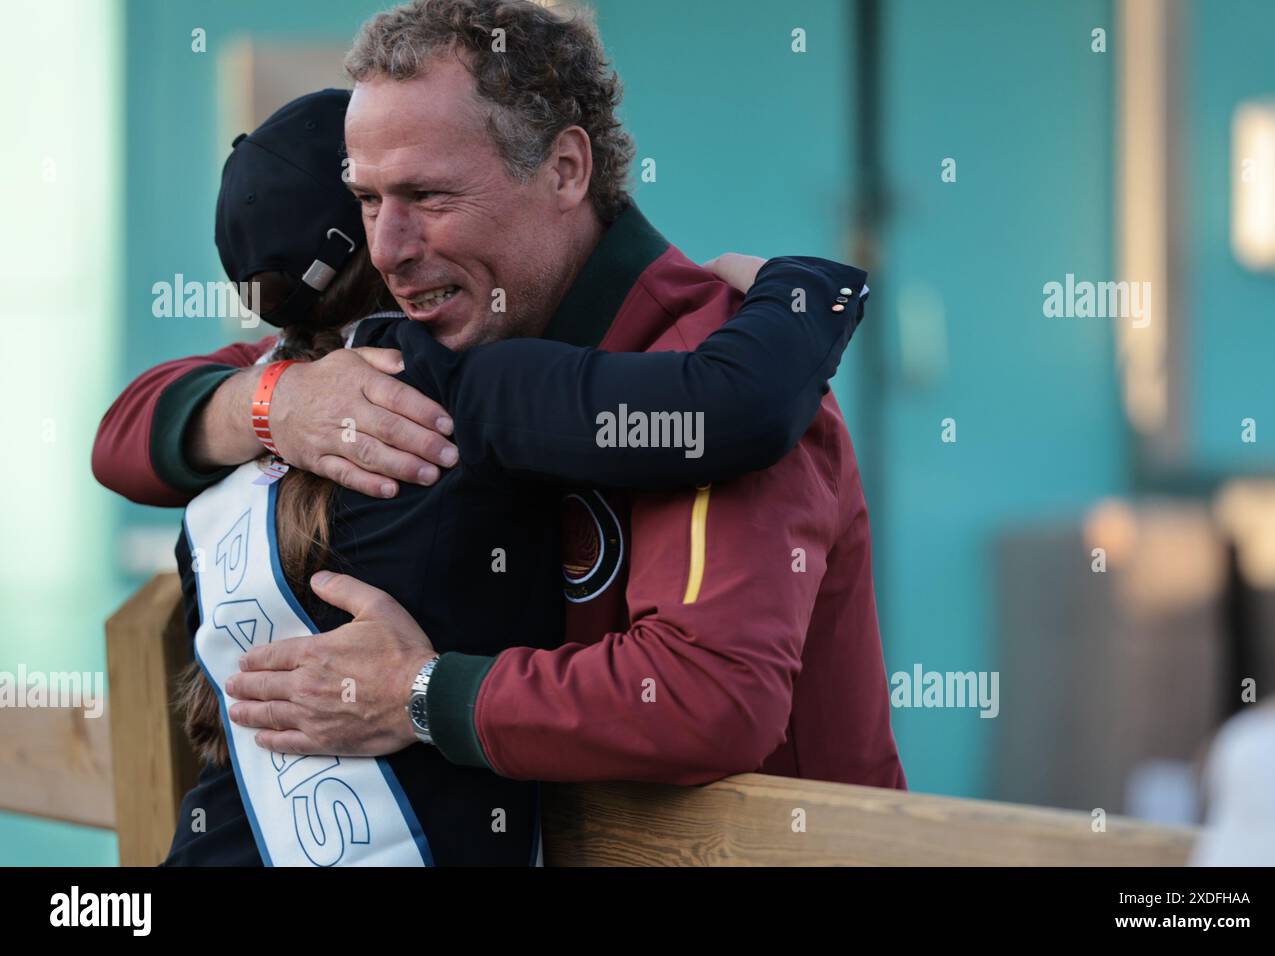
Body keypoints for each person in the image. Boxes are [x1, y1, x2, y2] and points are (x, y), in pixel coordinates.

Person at [94, 0, 905, 802]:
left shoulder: (710, 358)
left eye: (430, 197)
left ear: (564, 170)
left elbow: (706, 699)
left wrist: (420, 695)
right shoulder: (414, 342)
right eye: (368, 200)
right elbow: (126, 435)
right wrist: (274, 404)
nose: (388, 249)